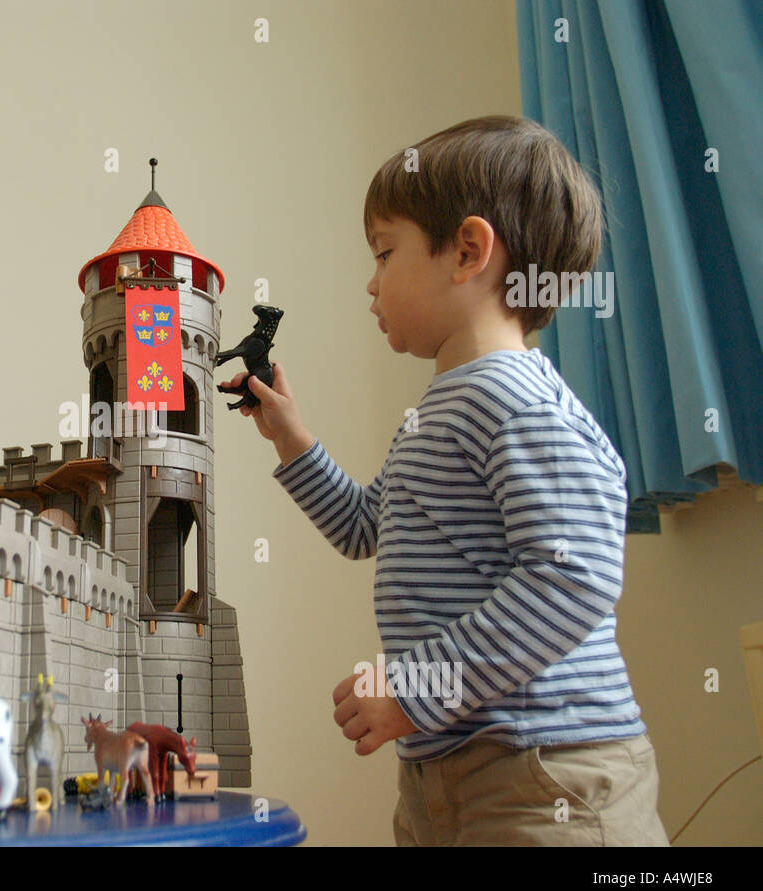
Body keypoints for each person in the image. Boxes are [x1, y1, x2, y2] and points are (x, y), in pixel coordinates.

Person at [221, 115, 669, 845]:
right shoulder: (443, 407)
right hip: (445, 770)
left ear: (466, 251)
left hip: (544, 766)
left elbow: (575, 577)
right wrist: (292, 439)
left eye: (384, 252)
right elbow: (366, 528)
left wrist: (417, 685)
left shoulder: (513, 399)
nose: (370, 285)